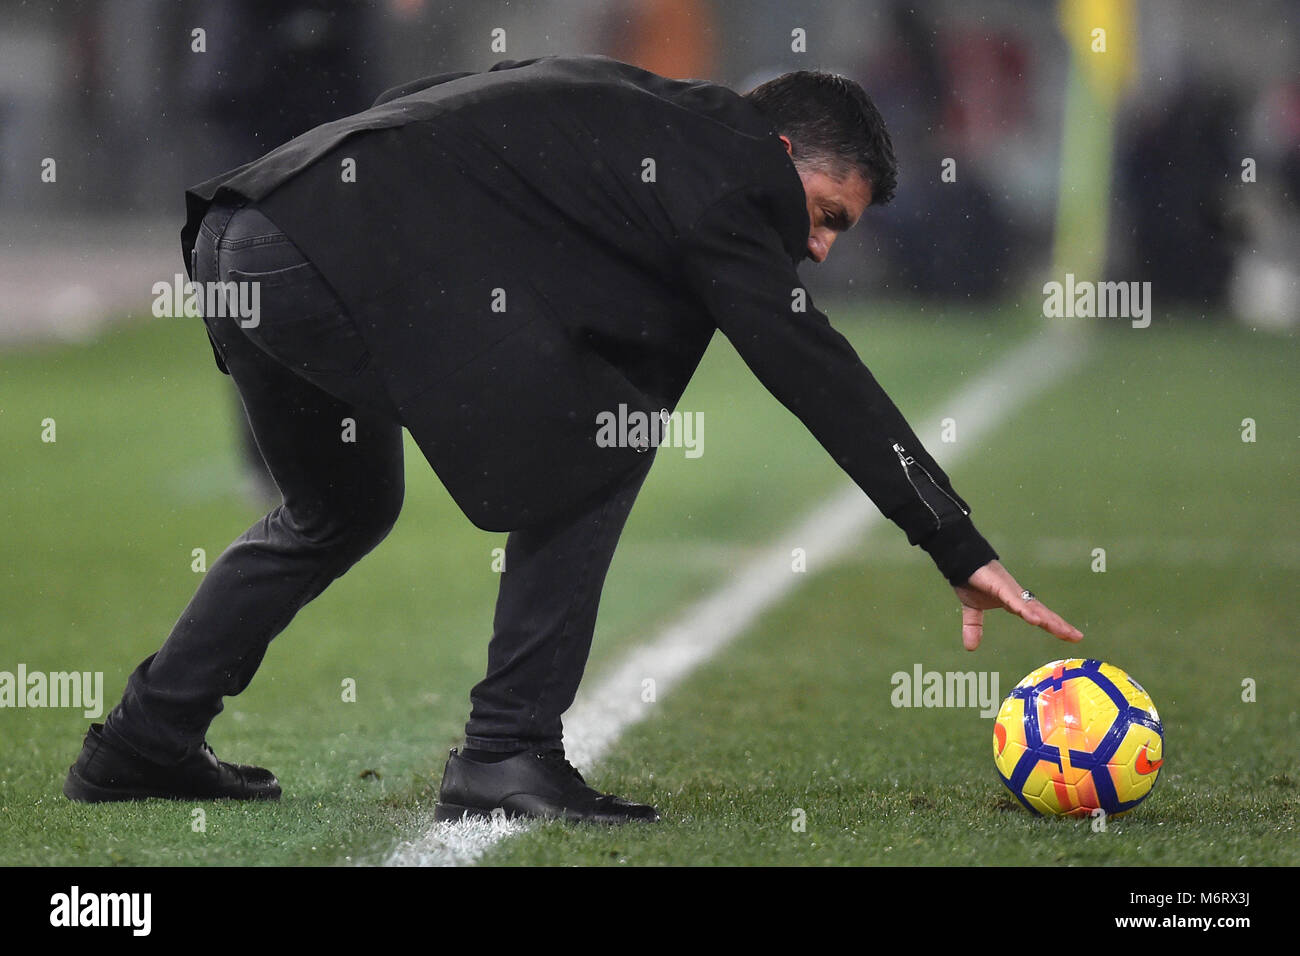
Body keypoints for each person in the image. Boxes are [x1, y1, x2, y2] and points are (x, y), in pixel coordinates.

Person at [64, 54, 1082, 822]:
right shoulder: (732, 175)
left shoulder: (647, 119)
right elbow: (812, 367)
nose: (814, 245)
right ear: (781, 155)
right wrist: (955, 540)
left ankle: (144, 736)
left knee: (339, 509)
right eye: (825, 215)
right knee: (606, 434)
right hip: (323, 262)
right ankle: (506, 748)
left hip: (248, 234)